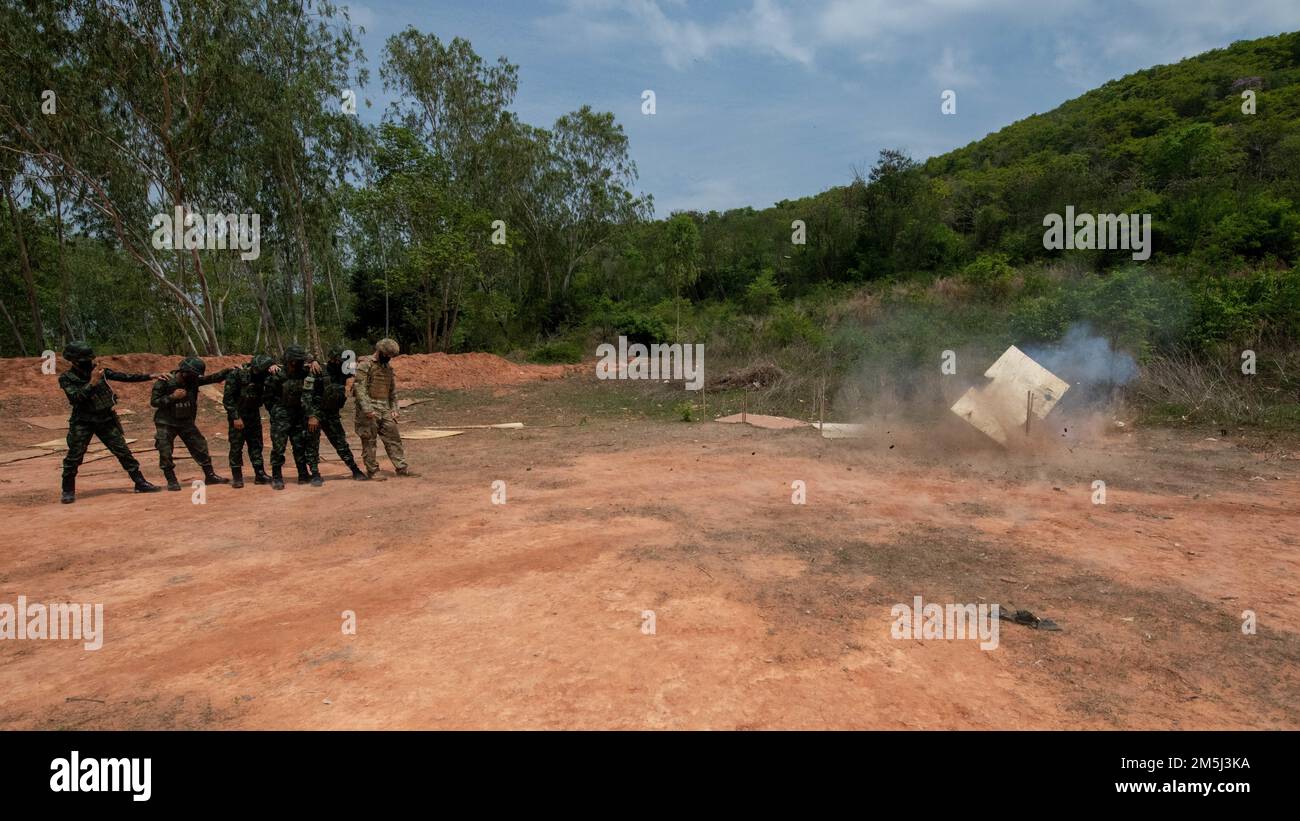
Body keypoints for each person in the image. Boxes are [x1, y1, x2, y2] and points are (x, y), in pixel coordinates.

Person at [56, 342, 164, 503]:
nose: (87, 363)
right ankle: (68, 490)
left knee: (123, 452)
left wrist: (150, 376)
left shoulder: (100, 372)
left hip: (105, 419)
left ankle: (140, 483)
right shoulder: (66, 378)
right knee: (74, 457)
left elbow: (125, 377)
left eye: (89, 359)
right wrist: (92, 383)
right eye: (83, 360)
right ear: (73, 361)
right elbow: (75, 398)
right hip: (82, 421)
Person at [151, 357, 233, 490]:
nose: (195, 377)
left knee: (200, 446)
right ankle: (171, 480)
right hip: (166, 422)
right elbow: (154, 402)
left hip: (186, 422)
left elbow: (211, 378)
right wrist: (172, 397)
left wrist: (227, 371)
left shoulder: (193, 380)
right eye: (193, 374)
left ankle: (210, 475)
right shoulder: (165, 382)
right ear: (184, 372)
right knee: (165, 450)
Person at [353, 338, 418, 478]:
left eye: (391, 356)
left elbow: (392, 391)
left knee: (394, 438)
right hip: (369, 409)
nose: (389, 358)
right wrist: (367, 408)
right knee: (369, 441)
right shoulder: (365, 365)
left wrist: (395, 408)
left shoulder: (388, 368)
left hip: (385, 408)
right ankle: (373, 471)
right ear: (380, 351)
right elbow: (359, 388)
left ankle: (401, 468)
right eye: (387, 355)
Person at [303, 346, 369, 482]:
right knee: (312, 444)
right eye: (340, 360)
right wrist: (312, 415)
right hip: (316, 412)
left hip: (332, 413)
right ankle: (315, 473)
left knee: (340, 443)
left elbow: (359, 367)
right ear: (333, 359)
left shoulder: (345, 371)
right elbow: (306, 395)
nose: (343, 363)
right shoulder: (317, 370)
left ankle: (355, 470)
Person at [263, 345, 316, 490]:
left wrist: (315, 362)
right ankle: (277, 476)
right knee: (279, 446)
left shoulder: (304, 373)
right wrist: (275, 411)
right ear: (290, 360)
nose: (300, 363)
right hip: (281, 415)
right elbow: (267, 397)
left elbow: (319, 366)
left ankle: (303, 473)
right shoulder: (277, 375)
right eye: (297, 360)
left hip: (298, 414)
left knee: (299, 445)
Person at [222, 354, 276, 488]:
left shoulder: (266, 374)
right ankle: (237, 476)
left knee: (256, 445)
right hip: (238, 415)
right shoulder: (237, 374)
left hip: (253, 414)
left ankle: (260, 474)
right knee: (236, 446)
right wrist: (235, 417)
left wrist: (275, 366)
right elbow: (228, 400)